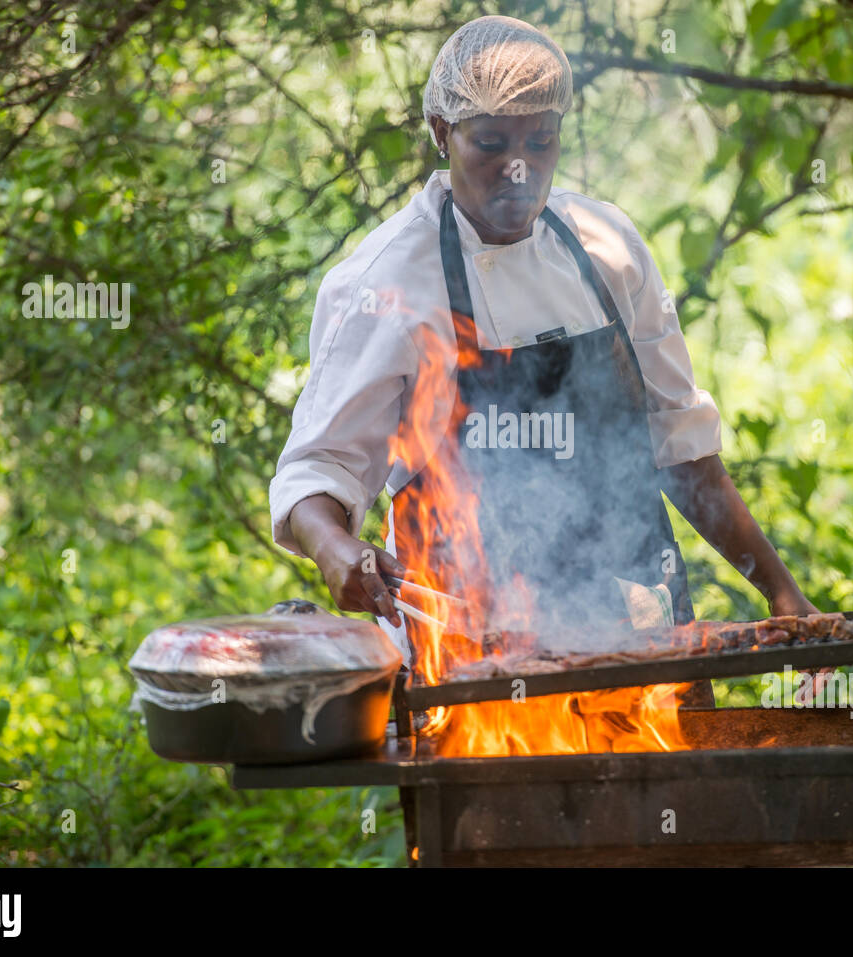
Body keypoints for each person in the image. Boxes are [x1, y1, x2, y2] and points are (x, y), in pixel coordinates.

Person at [270, 15, 824, 700]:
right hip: (473, 665)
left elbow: (679, 446)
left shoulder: (605, 247)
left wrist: (781, 591)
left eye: (541, 140)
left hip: (641, 638)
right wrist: (335, 549)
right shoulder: (385, 285)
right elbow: (318, 469)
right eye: (492, 143)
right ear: (442, 132)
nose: (519, 168)